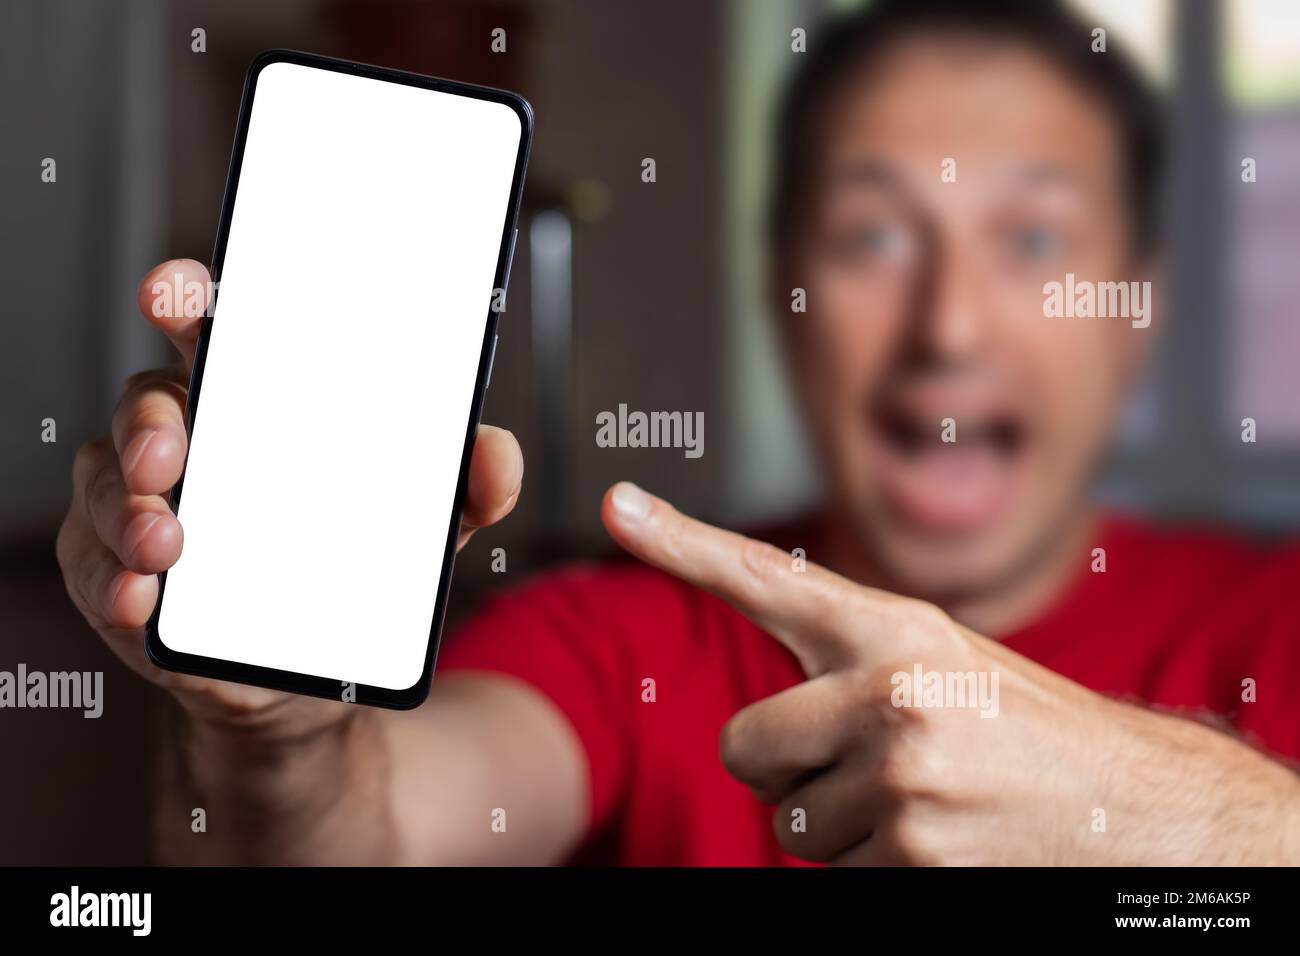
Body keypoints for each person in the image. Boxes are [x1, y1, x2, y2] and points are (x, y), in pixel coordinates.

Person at [57, 0, 1300, 865]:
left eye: (1031, 238)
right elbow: (373, 835)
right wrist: (276, 735)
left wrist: (1178, 819)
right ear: (781, 289)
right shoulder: (615, 636)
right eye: (872, 235)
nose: (949, 325)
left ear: (1139, 304)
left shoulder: (1277, 615)